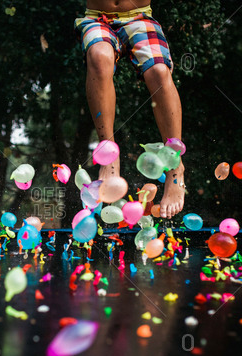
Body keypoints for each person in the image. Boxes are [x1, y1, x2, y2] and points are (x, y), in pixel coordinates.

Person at [75, 0, 185, 218]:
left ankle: (175, 164)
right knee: (99, 57)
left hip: (140, 17)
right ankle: (108, 154)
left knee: (159, 72)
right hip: (97, 18)